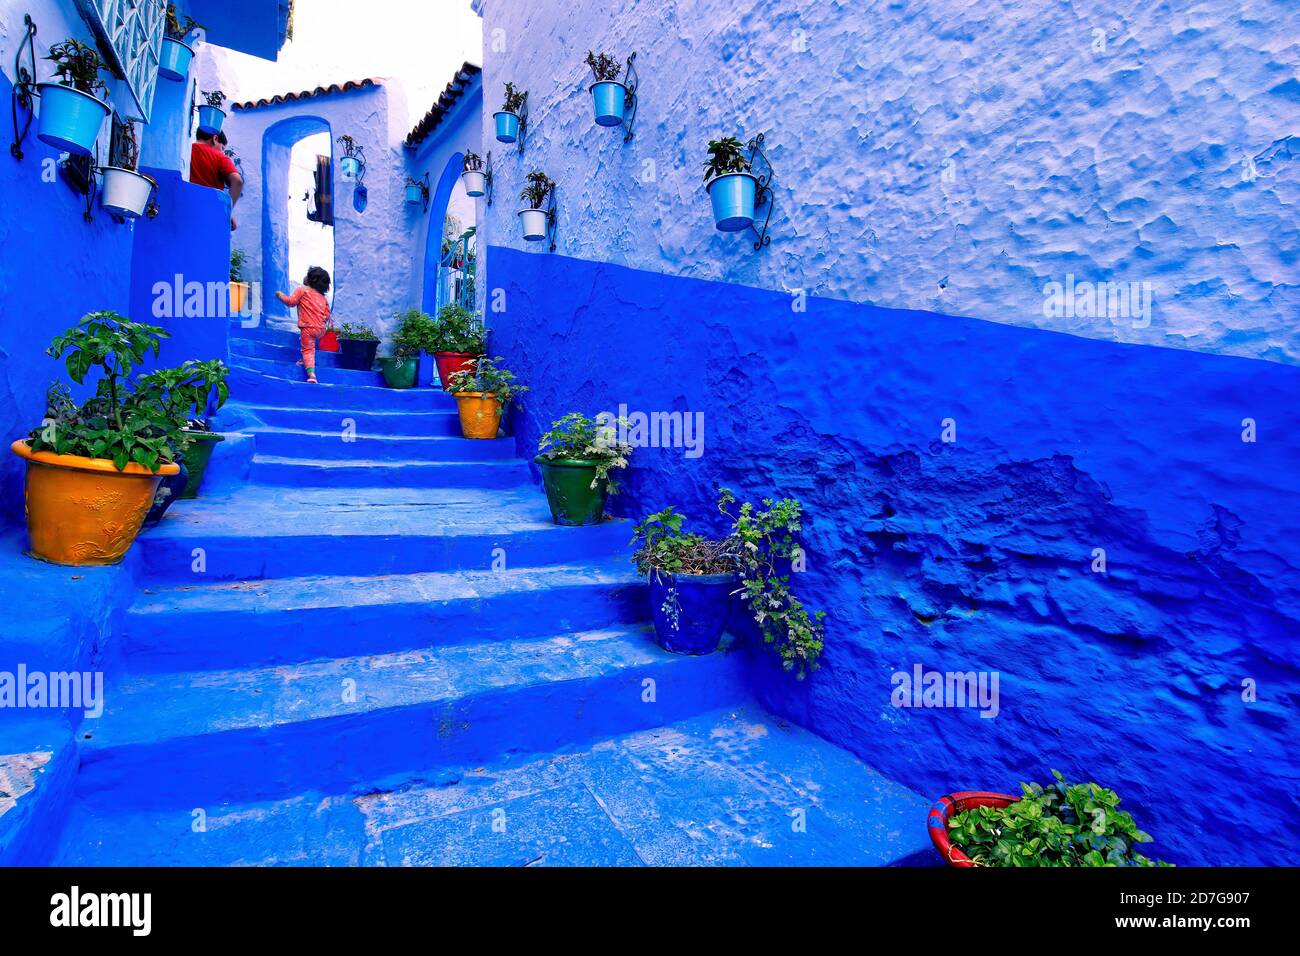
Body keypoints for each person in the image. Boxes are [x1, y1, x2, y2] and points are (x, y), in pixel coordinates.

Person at [275, 267, 332, 384]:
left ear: (311, 280)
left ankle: (312, 375)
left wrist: (280, 295)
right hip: (321, 329)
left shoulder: (302, 290)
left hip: (308, 327)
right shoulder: (323, 298)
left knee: (308, 350)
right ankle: (304, 360)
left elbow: (291, 302)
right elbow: (327, 314)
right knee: (308, 344)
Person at [190, 129, 243, 231]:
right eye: (222, 148)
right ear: (215, 139)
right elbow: (237, 181)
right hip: (209, 214)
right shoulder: (219, 157)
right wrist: (226, 212)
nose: (222, 151)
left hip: (184, 209)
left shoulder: (185, 151)